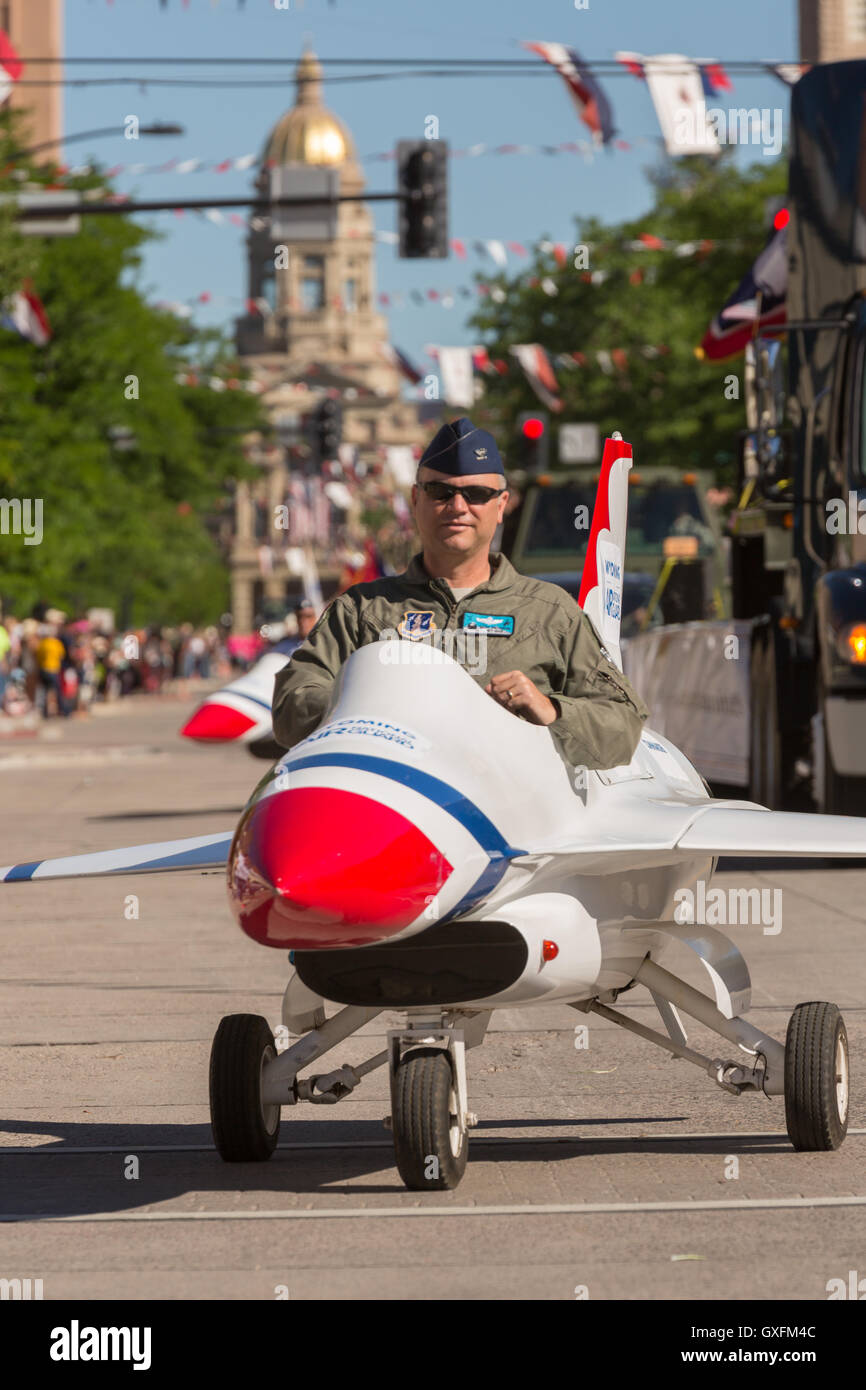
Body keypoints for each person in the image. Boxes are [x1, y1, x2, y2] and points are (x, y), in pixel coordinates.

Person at [272, 417, 648, 770]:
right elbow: (290, 708)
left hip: (508, 809)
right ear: (416, 499)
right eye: (440, 492)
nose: (457, 507)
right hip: (396, 798)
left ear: (501, 506)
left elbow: (623, 726)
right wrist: (363, 697)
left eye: (476, 494)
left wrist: (551, 709)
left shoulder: (550, 614)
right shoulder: (361, 610)